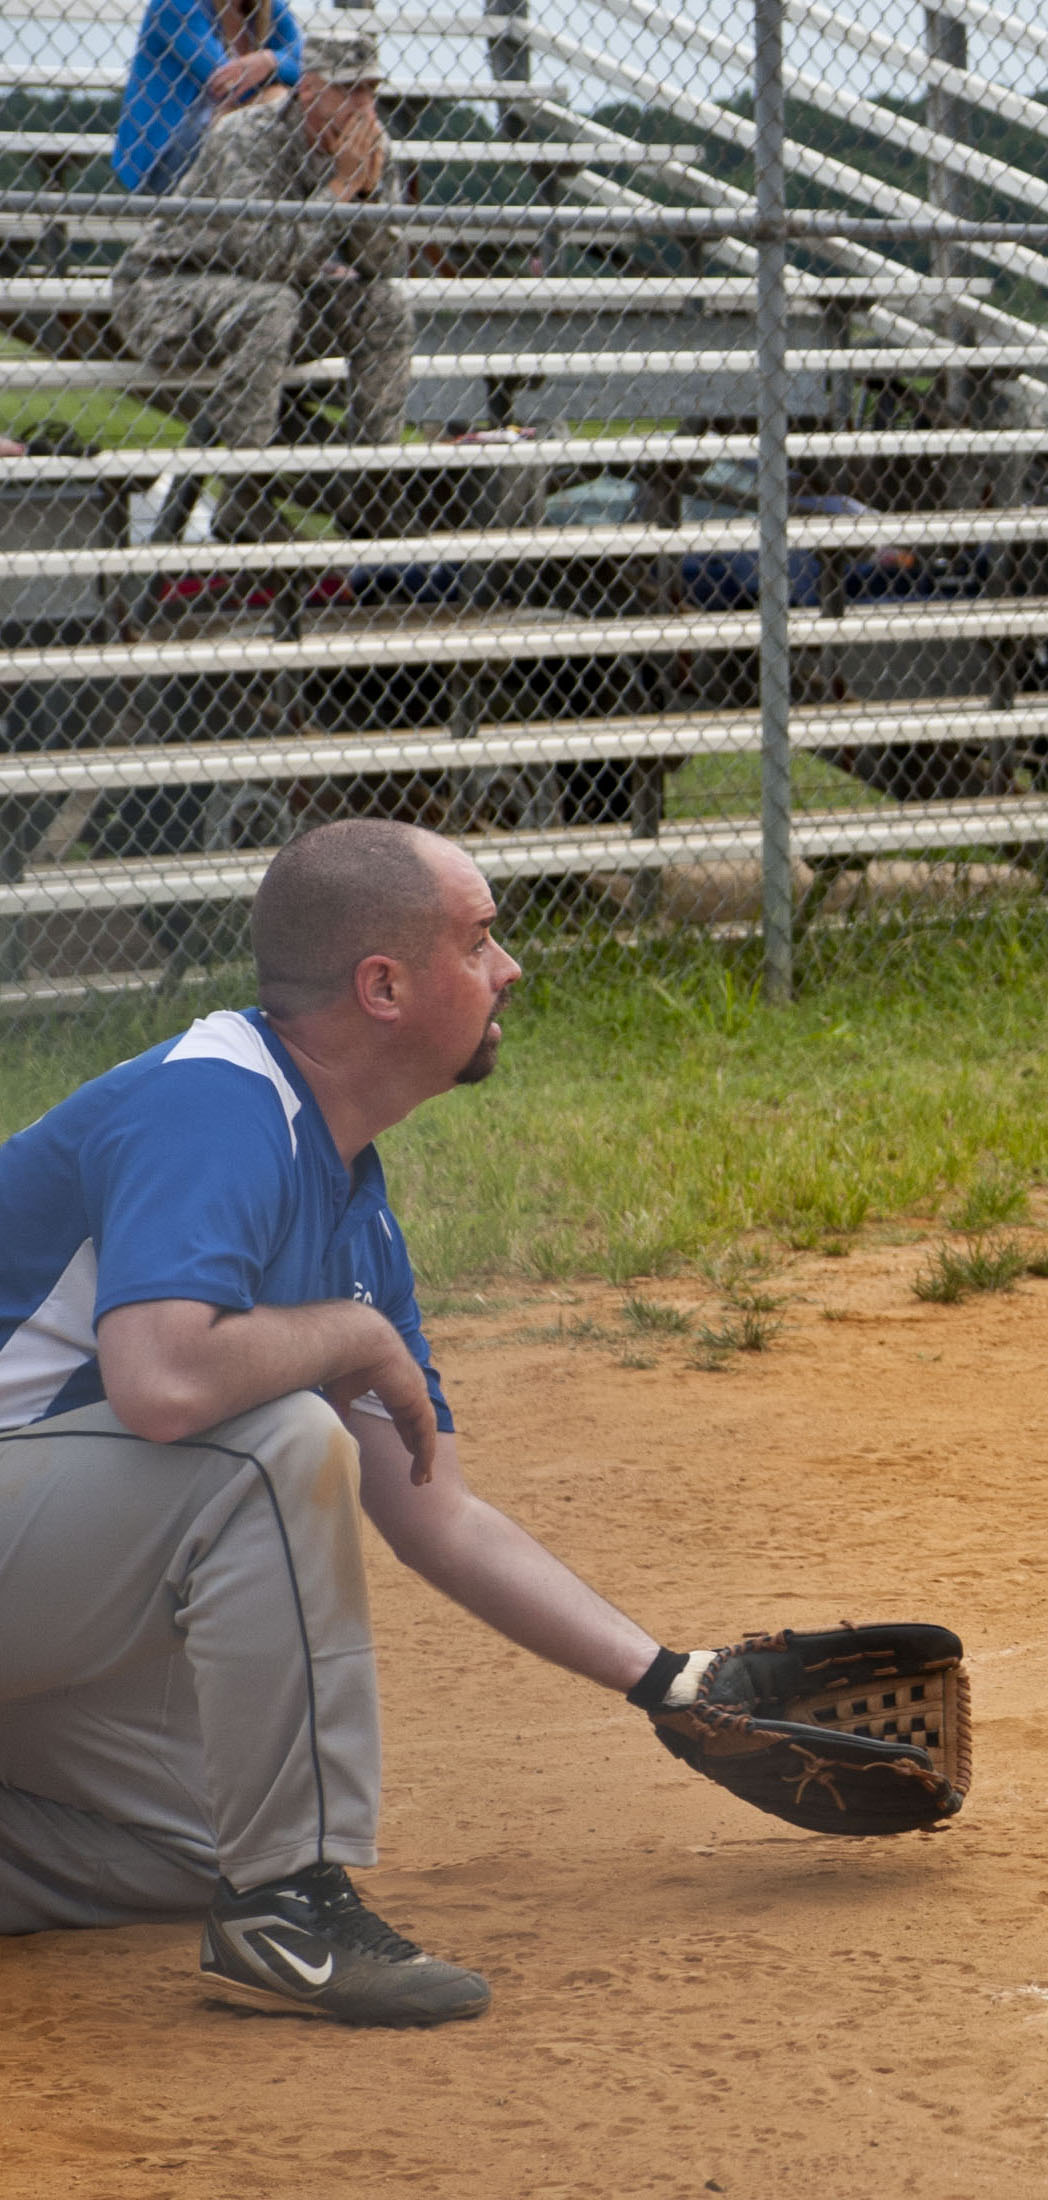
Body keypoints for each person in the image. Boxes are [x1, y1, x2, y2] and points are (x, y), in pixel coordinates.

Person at [0, 822, 686, 2023]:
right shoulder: (215, 1103)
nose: (508, 967)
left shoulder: (350, 1200)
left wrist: (675, 1683)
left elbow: (441, 1516)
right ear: (384, 986)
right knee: (269, 1453)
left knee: (192, 1838)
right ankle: (288, 1917)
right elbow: (162, 1380)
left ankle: (248, 1877)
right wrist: (355, 1343)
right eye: (478, 940)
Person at [108, 26, 410, 501]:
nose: (363, 106)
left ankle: (375, 483)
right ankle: (246, 491)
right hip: (166, 291)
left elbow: (384, 262)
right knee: (270, 304)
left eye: (370, 90)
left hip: (270, 300)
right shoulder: (246, 136)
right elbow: (265, 260)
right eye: (348, 89)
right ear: (308, 89)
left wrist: (366, 195)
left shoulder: (369, 145)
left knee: (384, 306)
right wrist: (339, 189)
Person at [115, 0, 303, 194]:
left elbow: (310, 66)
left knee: (308, 109)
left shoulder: (269, 5)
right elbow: (223, 81)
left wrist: (270, 61)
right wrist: (275, 80)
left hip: (241, 138)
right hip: (169, 154)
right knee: (278, 99)